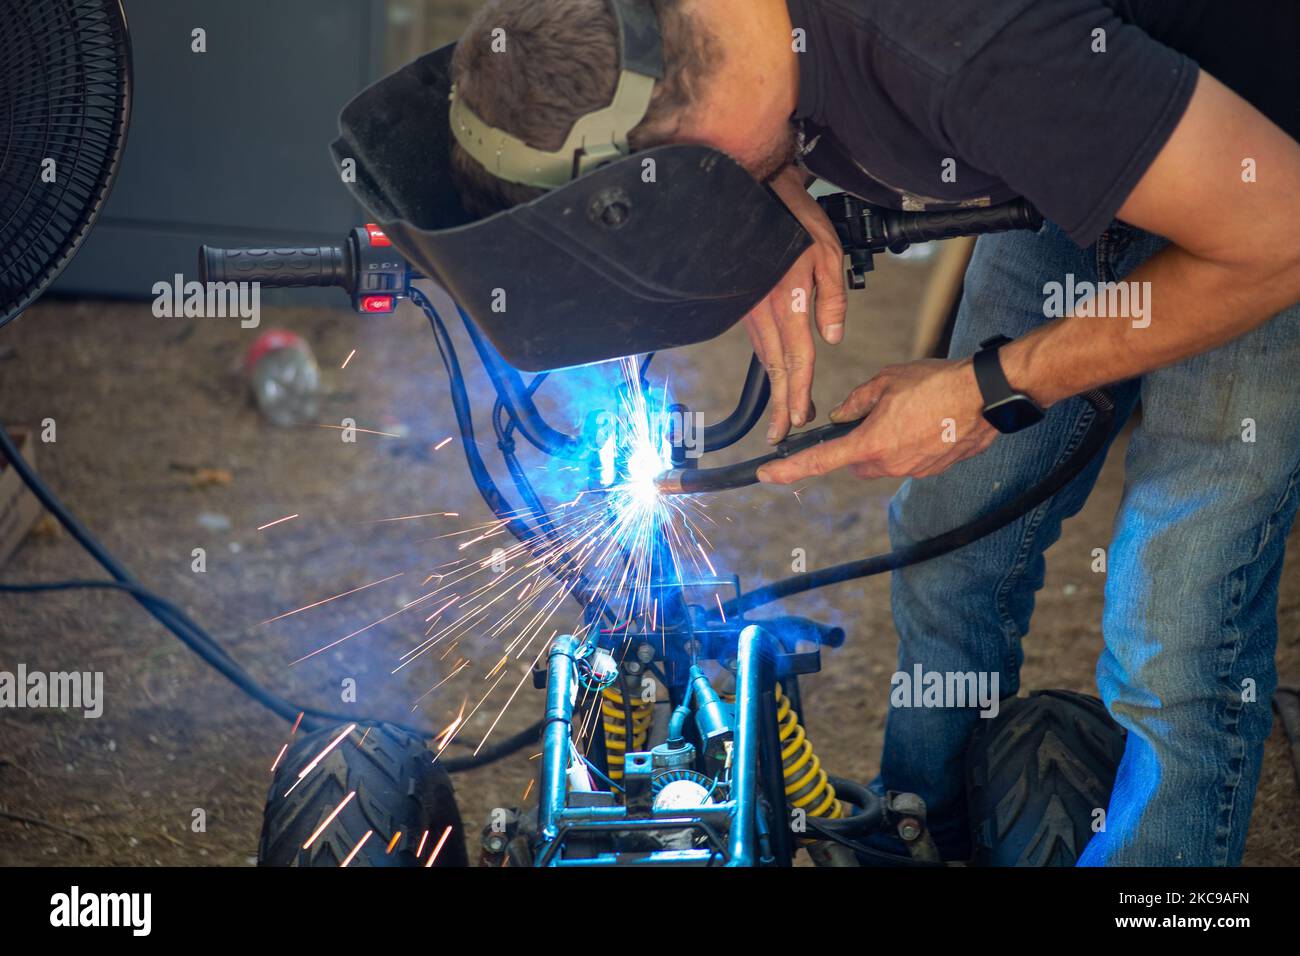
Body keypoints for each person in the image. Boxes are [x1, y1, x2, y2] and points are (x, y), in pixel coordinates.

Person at [448, 0, 1300, 864]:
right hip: (1077, 124)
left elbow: (1281, 234)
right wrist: (764, 183)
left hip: (1265, 185)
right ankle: (925, 836)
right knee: (951, 528)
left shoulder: (967, 57)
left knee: (1177, 617)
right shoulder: (702, 38)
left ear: (682, 146)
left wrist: (988, 389)